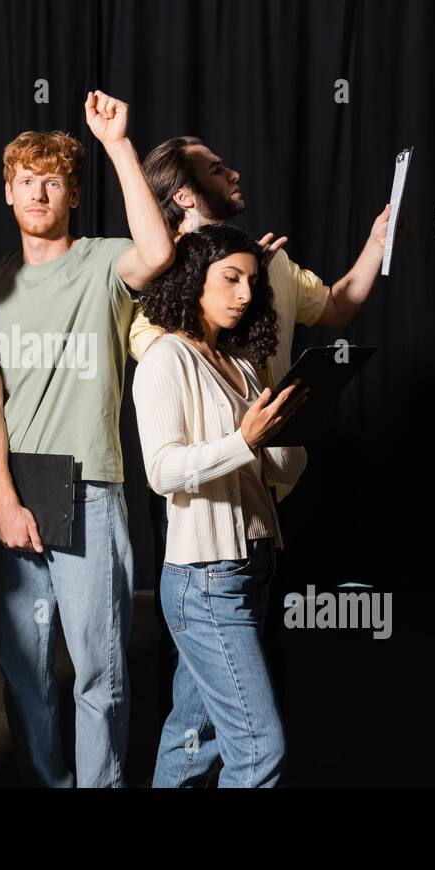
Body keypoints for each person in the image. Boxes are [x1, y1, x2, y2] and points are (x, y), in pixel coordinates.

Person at [135, 136, 393, 729]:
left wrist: (376, 243)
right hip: (201, 507)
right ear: (183, 193)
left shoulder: (266, 264)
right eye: (216, 169)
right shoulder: (160, 280)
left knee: (205, 705)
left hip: (263, 495)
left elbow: (335, 306)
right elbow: (171, 374)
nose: (235, 172)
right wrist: (242, 433)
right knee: (241, 719)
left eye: (250, 285)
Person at [0, 91, 175, 787]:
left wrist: (118, 143)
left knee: (101, 665)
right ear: (7, 192)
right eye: (25, 180)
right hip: (17, 494)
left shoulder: (103, 262)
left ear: (72, 194)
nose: (38, 190)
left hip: (89, 489)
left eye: (53, 180)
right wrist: (2, 500)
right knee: (24, 666)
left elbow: (159, 250)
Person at [131, 224, 309, 787]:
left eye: (252, 281)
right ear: (194, 279)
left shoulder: (244, 363)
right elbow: (162, 471)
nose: (245, 294)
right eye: (230, 278)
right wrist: (245, 440)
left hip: (255, 564)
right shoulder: (166, 358)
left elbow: (281, 474)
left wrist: (287, 428)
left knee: (195, 734)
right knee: (259, 749)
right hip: (204, 580)